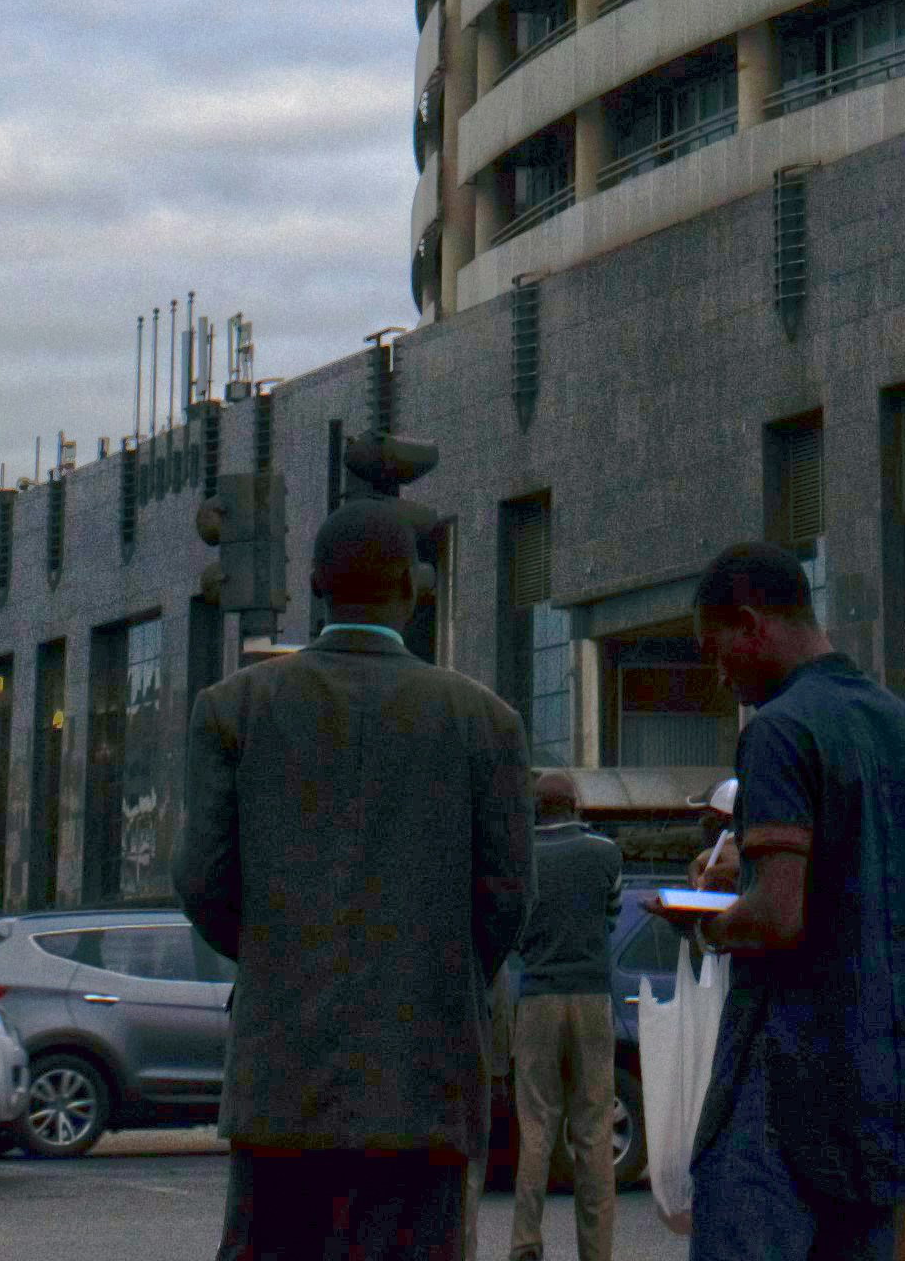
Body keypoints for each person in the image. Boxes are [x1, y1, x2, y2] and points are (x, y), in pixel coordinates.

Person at [176, 499, 533, 1261]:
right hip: (426, 1080)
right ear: (415, 586)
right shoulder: (485, 722)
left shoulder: (232, 710)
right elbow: (506, 901)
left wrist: (277, 956)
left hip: (281, 1077)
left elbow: (203, 881)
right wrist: (439, 972)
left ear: (313, 584)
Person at [685, 543, 905, 1261]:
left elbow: (777, 914)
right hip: (887, 1094)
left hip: (786, 1086)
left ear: (751, 623)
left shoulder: (776, 730)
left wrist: (711, 927)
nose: (722, 675)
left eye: (719, 651)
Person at [506, 773, 622, 1261]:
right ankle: (596, 1252)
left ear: (536, 809)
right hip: (592, 997)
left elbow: (510, 929)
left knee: (535, 1128)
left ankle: (527, 1242)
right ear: (575, 804)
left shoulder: (521, 859)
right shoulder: (605, 853)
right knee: (593, 1130)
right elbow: (611, 917)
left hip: (537, 997)